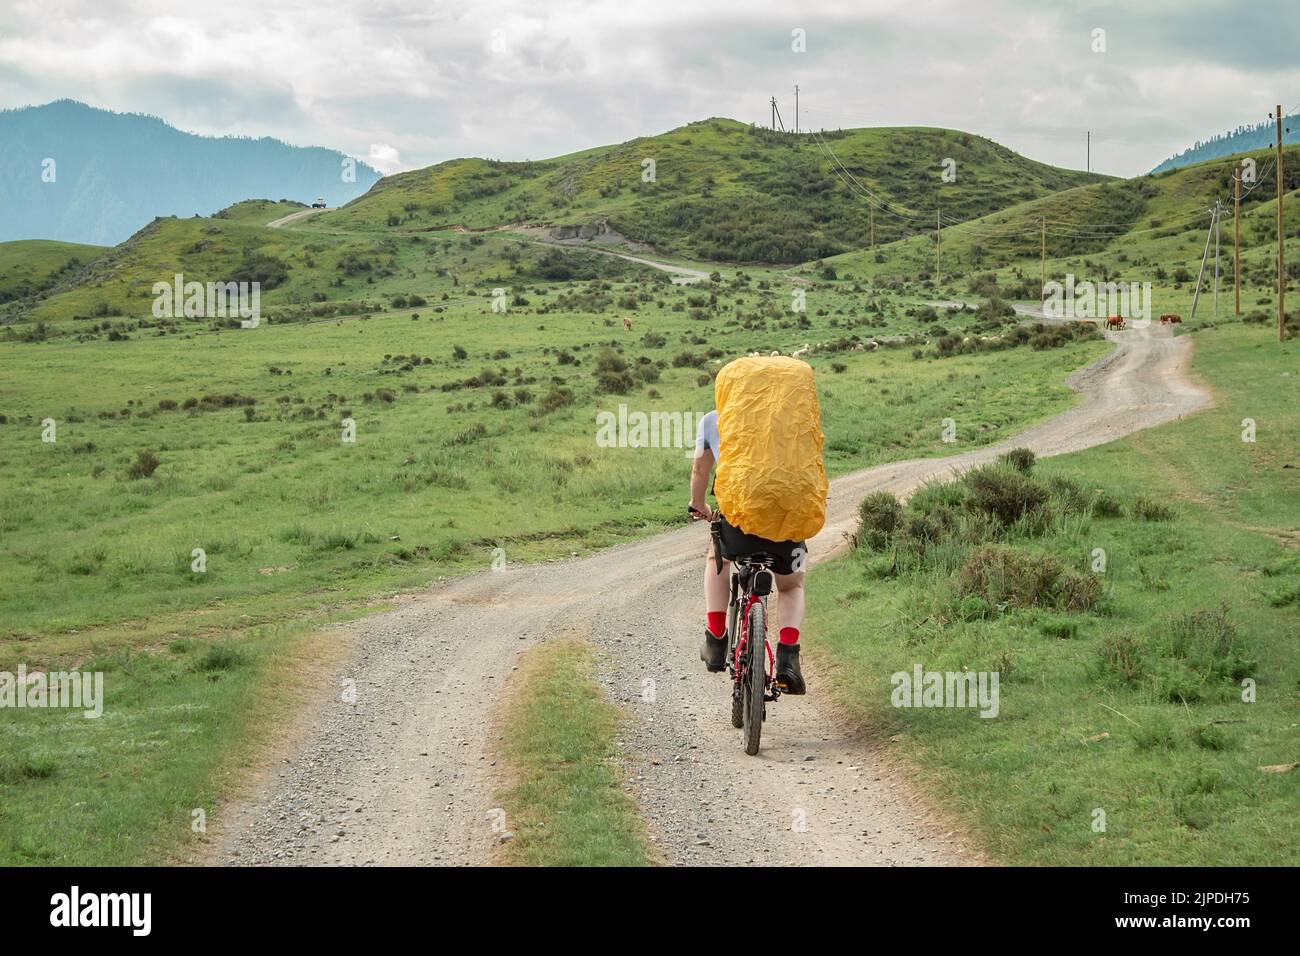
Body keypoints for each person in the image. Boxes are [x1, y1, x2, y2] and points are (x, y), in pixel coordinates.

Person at [689, 409, 808, 694]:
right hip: (787, 524)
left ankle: (716, 640)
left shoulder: (713, 419)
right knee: (791, 586)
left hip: (737, 526)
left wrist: (699, 505)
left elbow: (699, 471)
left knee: (716, 557)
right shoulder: (797, 413)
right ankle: (788, 658)